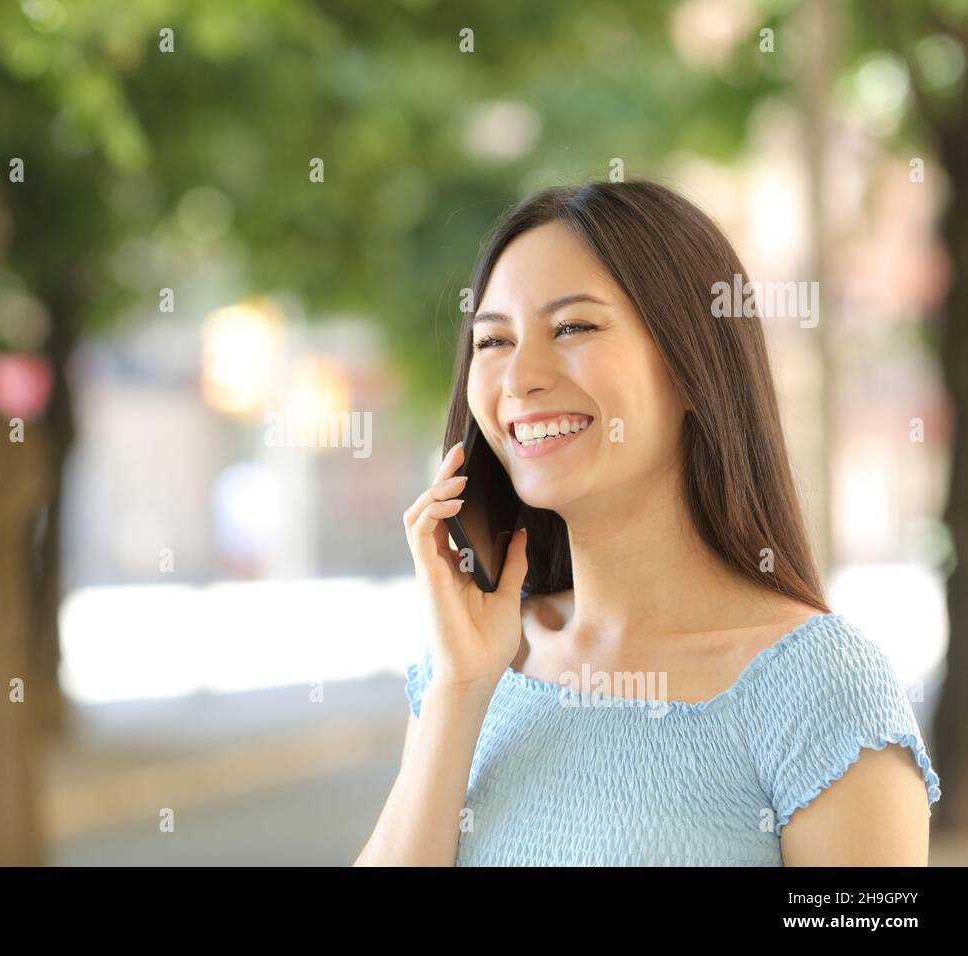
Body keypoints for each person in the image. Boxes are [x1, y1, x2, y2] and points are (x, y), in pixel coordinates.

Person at [355, 180, 941, 866]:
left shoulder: (822, 693)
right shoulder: (465, 667)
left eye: (573, 327)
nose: (519, 379)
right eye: (493, 341)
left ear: (693, 366)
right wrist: (460, 688)